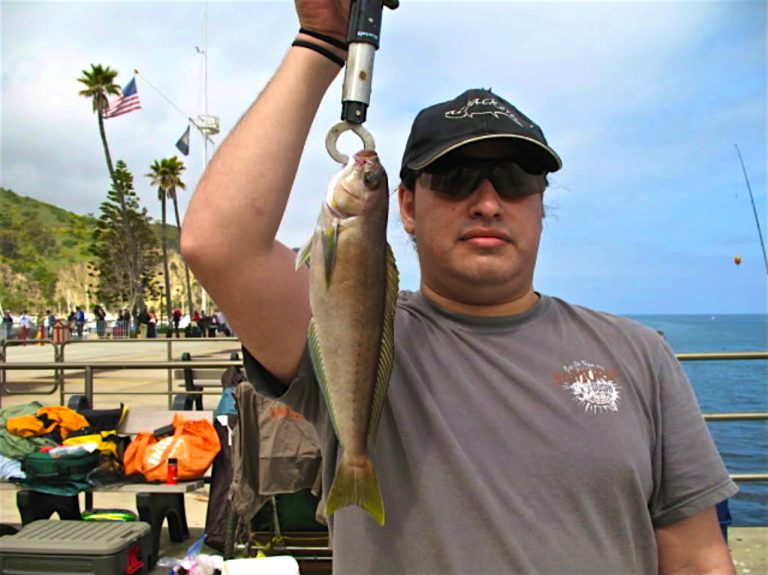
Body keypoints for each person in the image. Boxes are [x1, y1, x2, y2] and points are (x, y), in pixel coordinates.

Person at [180, 3, 738, 573]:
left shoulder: (641, 355)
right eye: (454, 177)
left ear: (541, 204)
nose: (488, 201)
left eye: (516, 178)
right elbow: (219, 245)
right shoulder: (364, 330)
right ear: (406, 206)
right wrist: (322, 40)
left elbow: (697, 557)